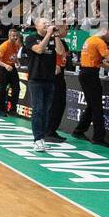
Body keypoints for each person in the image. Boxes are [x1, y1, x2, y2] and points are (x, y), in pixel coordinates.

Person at [24, 18, 64, 152]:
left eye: (49, 23)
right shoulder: (30, 38)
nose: (47, 25)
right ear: (36, 26)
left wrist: (56, 35)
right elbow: (39, 49)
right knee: (38, 109)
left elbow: (60, 52)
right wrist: (49, 35)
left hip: (50, 79)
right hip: (36, 79)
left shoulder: (53, 38)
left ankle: (42, 138)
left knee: (46, 111)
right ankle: (37, 139)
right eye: (44, 23)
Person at [44, 22, 71, 143]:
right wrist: (55, 35)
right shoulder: (49, 41)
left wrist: (58, 37)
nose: (68, 31)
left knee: (60, 105)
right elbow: (58, 52)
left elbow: (62, 53)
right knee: (53, 105)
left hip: (61, 78)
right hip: (52, 79)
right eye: (65, 28)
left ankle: (52, 130)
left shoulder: (62, 42)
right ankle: (47, 131)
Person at [0, 27, 21, 116]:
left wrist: (17, 62)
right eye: (13, 36)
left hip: (12, 68)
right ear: (9, 36)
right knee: (2, 90)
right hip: (4, 69)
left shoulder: (16, 45)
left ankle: (12, 110)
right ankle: (1, 110)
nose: (15, 37)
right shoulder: (4, 46)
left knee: (16, 89)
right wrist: (6, 65)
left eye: (16, 36)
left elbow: (14, 56)